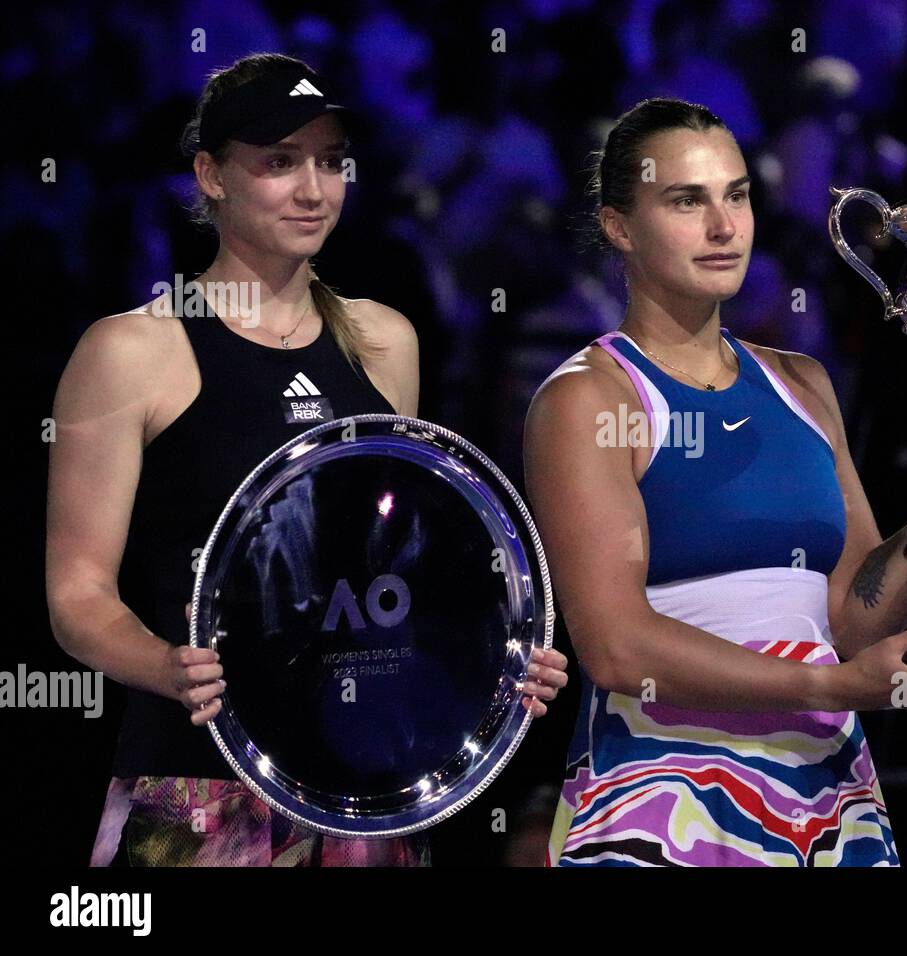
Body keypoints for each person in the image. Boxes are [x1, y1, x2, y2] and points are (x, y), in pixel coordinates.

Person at [45, 53, 567, 867]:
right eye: (280, 163)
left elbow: (399, 572)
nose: (314, 189)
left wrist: (496, 662)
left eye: (330, 162)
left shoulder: (386, 341)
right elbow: (77, 596)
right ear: (211, 174)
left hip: (364, 791)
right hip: (197, 793)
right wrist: (166, 667)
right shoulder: (129, 351)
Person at [523, 98, 907, 866]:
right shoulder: (589, 399)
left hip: (826, 800)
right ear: (618, 227)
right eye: (687, 201)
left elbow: (854, 621)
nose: (724, 227)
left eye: (736, 195)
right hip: (666, 800)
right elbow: (617, 649)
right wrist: (827, 688)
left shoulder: (803, 384)